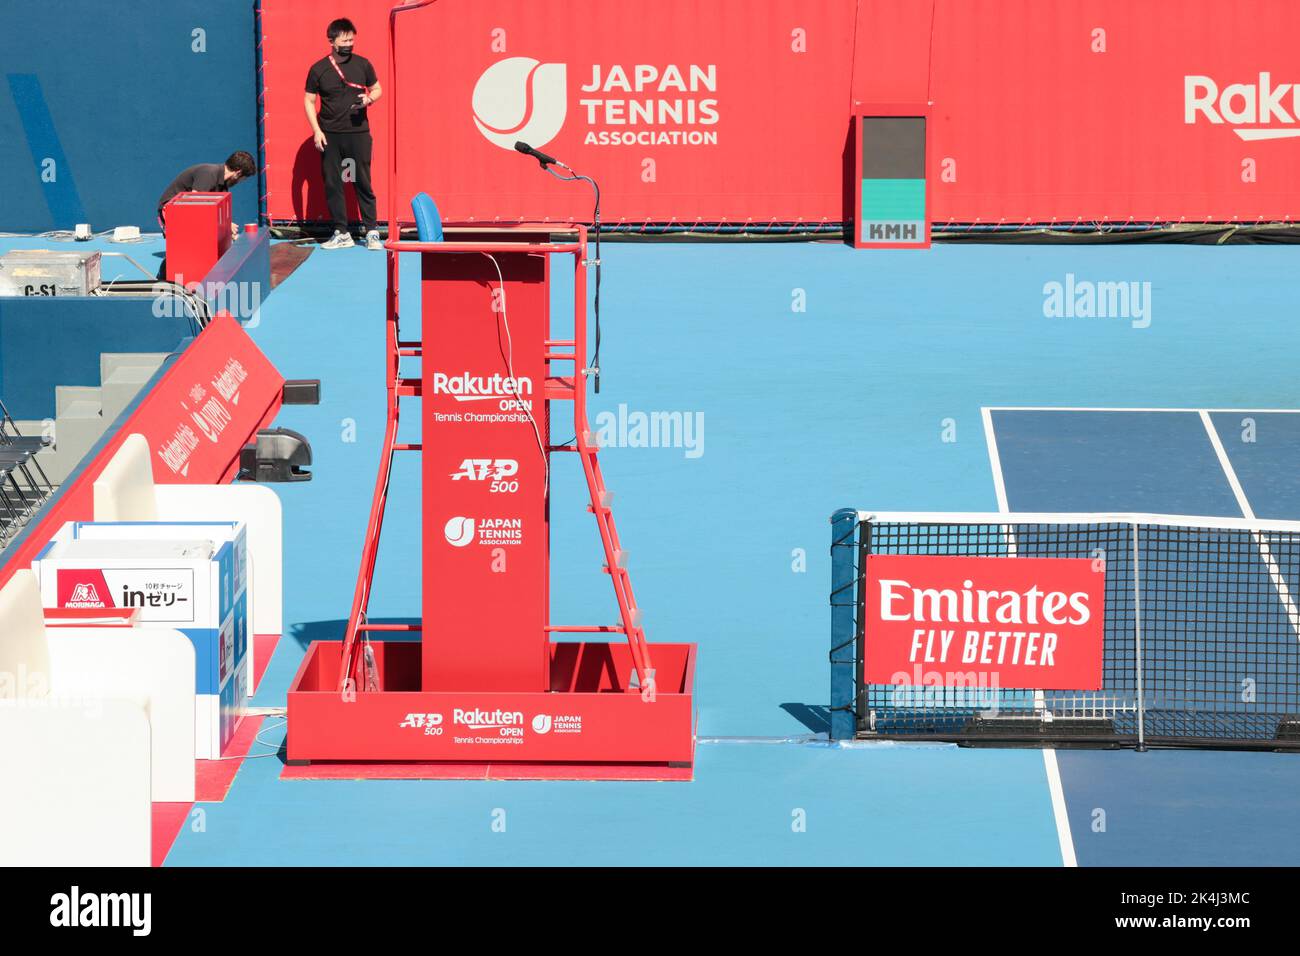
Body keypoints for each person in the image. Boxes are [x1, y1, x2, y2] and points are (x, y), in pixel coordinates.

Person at [305, 17, 382, 250]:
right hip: (329, 134)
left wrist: (369, 99)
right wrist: (316, 131)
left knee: (362, 181)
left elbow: (378, 89)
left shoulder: (363, 64)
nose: (349, 43)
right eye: (345, 39)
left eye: (352, 39)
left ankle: (372, 232)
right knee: (333, 184)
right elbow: (309, 101)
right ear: (332, 41)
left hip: (358, 133)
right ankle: (341, 232)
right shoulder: (318, 69)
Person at [156, 150, 257, 233]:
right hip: (170, 210)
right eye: (243, 178)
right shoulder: (209, 173)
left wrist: (228, 230)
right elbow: (195, 205)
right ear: (238, 173)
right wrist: (225, 225)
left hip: (185, 211)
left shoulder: (223, 184)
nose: (240, 182)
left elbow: (213, 211)